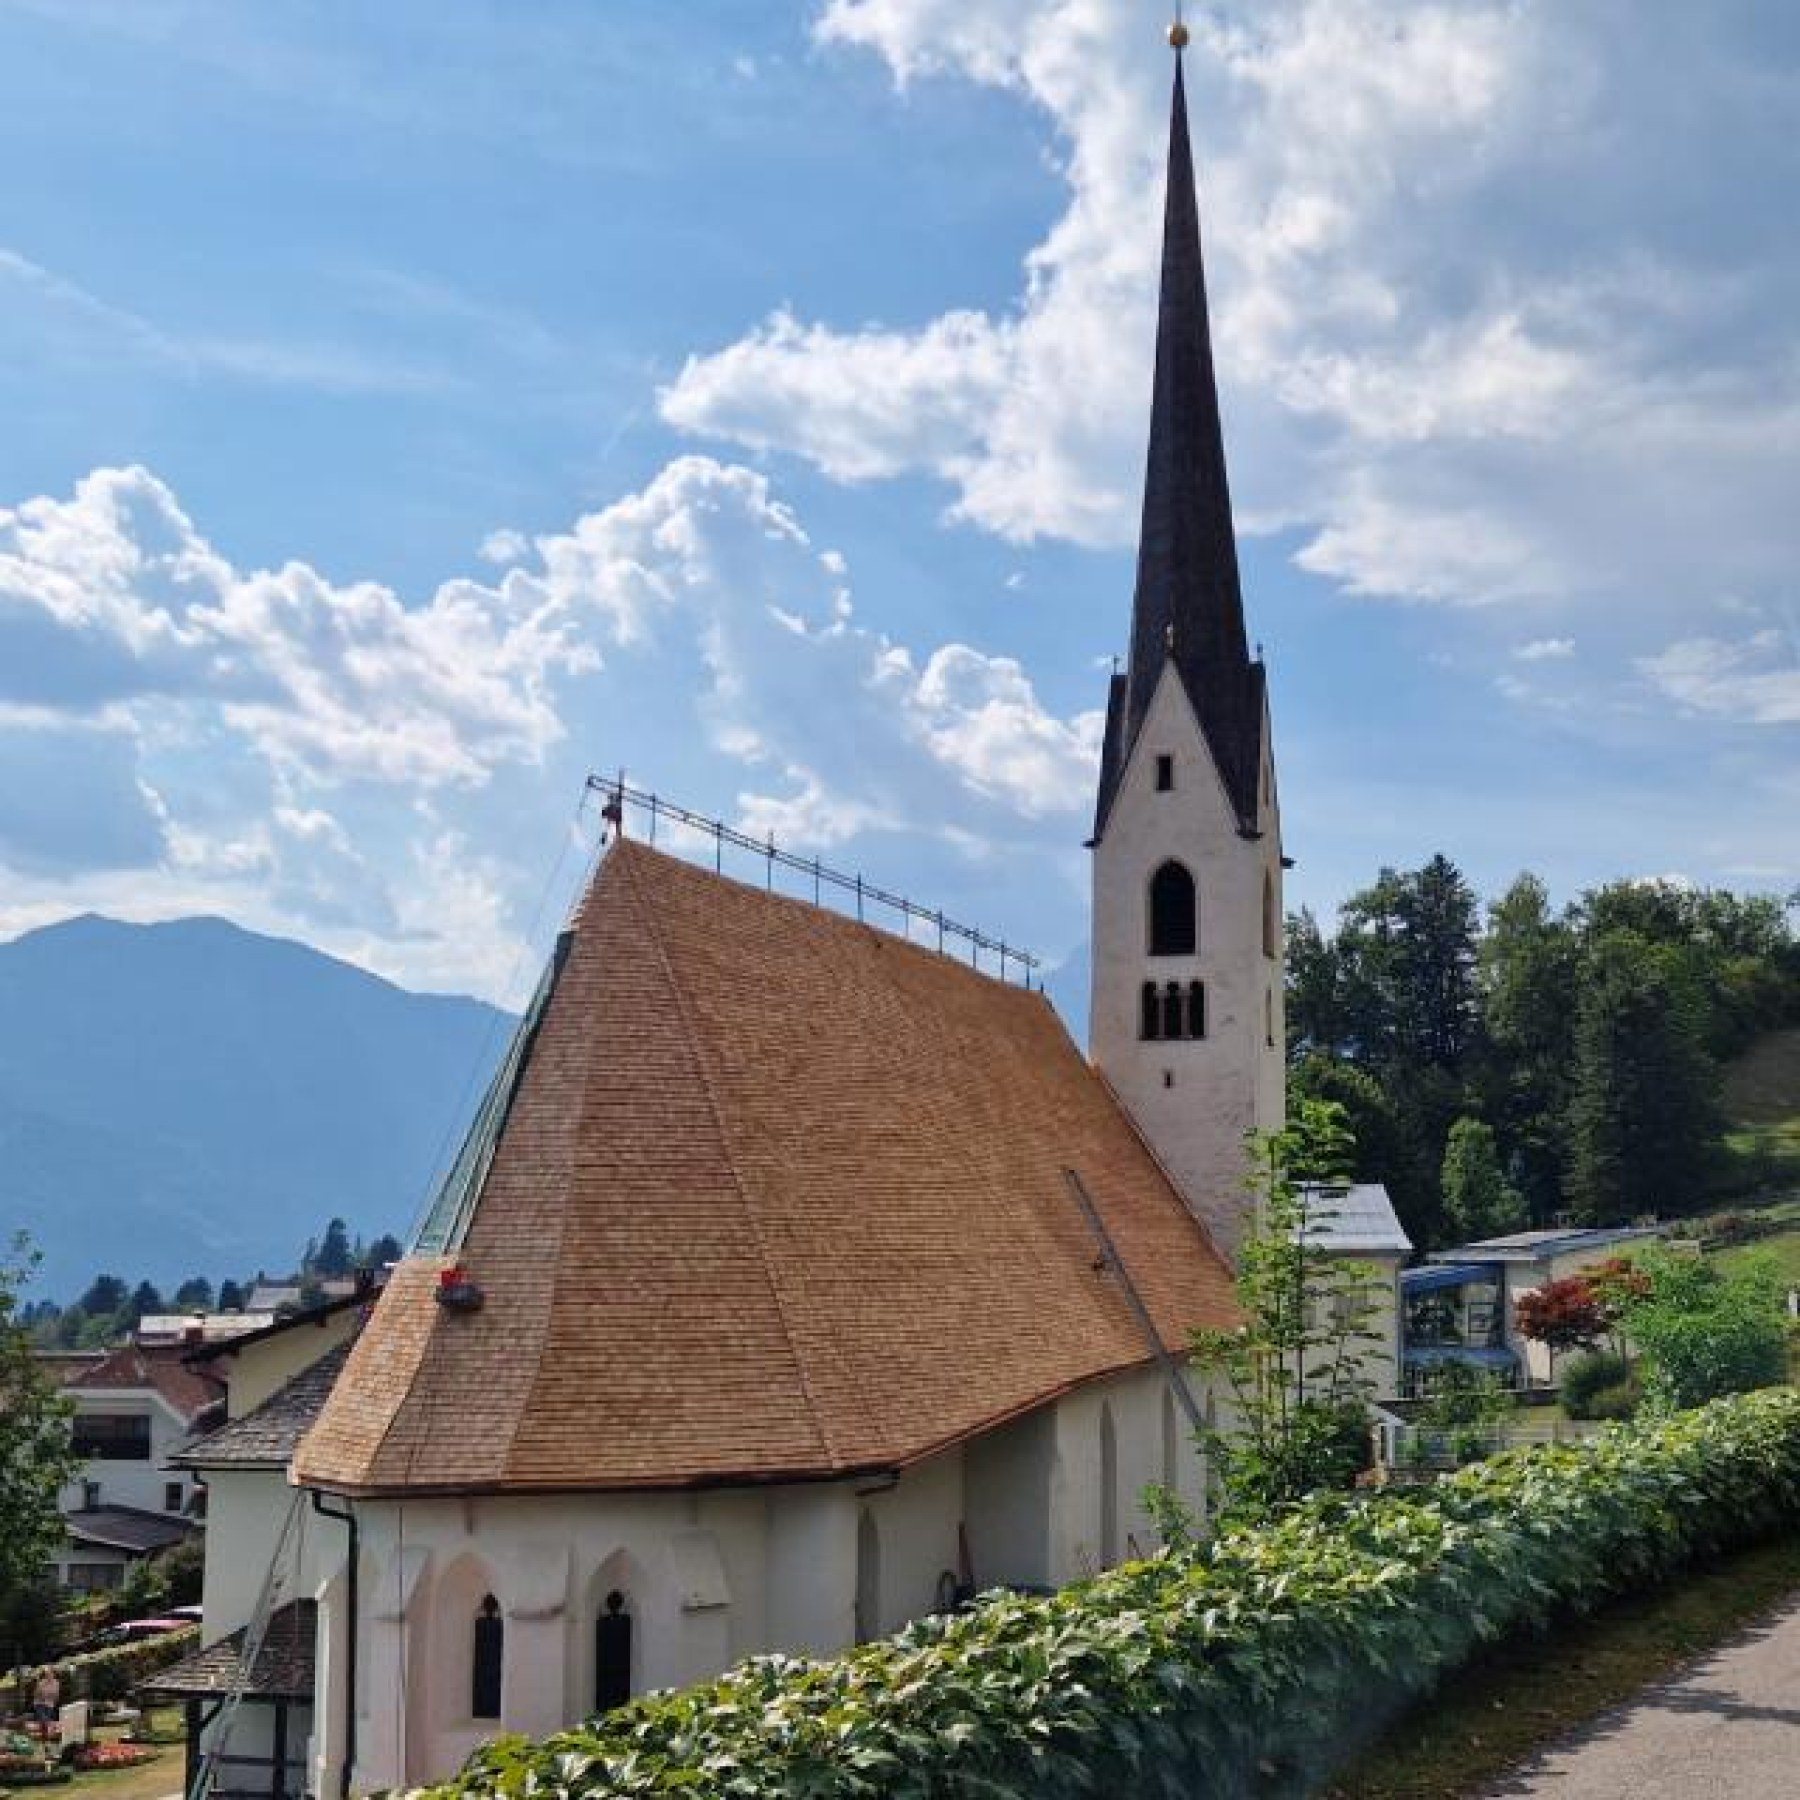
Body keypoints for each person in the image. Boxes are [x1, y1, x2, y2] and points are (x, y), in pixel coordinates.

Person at [32, 1666, 60, 1739]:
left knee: (46, 1717)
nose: (48, 1676)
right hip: (40, 1703)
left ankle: (46, 1732)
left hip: (50, 1704)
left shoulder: (56, 1683)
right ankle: (49, 1731)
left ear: (53, 1674)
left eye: (50, 1674)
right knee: (44, 1717)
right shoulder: (41, 1683)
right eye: (47, 1674)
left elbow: (56, 1695)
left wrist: (52, 1702)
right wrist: (40, 1688)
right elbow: (37, 1695)